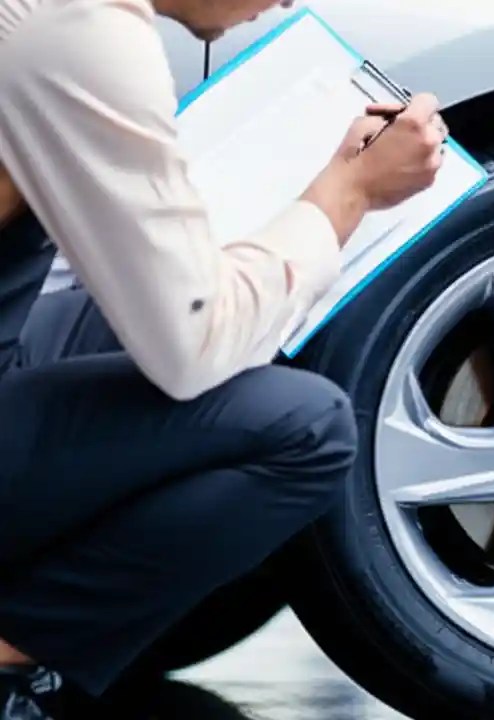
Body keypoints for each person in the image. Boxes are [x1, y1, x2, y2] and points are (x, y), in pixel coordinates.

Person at [0, 0, 448, 715]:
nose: (287, 3)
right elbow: (192, 345)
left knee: (134, 316)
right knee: (308, 428)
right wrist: (346, 194)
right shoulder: (84, 35)